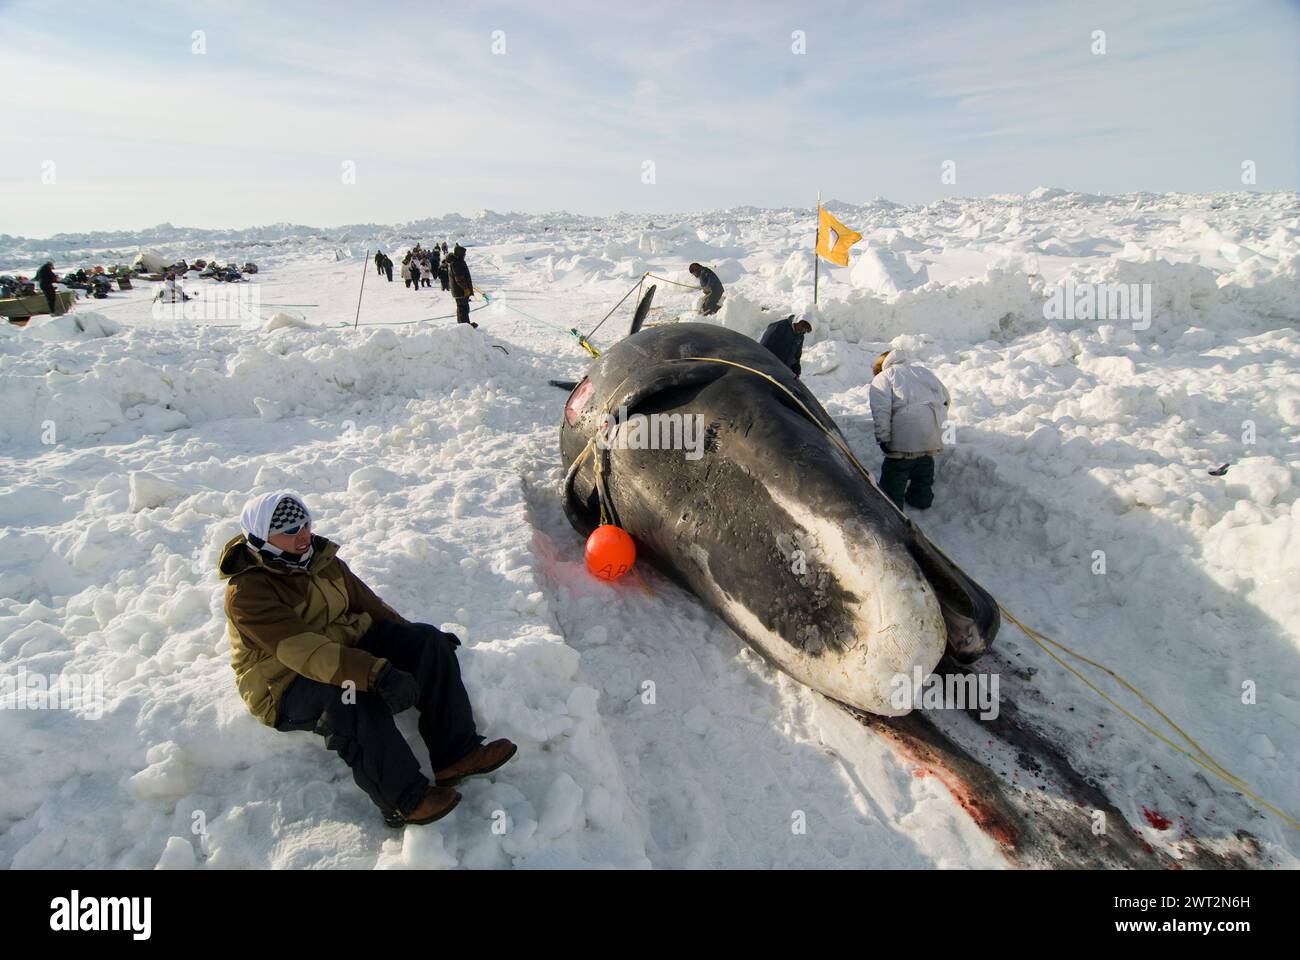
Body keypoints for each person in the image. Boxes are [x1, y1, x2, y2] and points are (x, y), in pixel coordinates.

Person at [219, 492, 518, 827]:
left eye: (305, 524)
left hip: (341, 647)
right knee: (350, 696)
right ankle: (405, 799)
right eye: (289, 530)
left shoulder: (320, 559)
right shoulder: (248, 594)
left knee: (428, 643)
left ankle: (457, 754)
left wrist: (416, 641)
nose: (303, 535)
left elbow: (370, 606)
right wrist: (375, 673)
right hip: (284, 681)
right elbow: (303, 651)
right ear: (259, 536)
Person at [869, 350, 950, 510]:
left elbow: (881, 411)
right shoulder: (923, 372)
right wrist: (938, 427)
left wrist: (883, 437)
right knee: (924, 467)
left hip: (905, 434)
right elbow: (946, 400)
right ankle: (921, 500)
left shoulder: (884, 378)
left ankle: (892, 510)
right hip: (932, 433)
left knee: (895, 473)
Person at [448, 244, 477, 327]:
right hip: (460, 291)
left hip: (460, 291)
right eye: (464, 254)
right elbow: (459, 279)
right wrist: (466, 288)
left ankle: (464, 325)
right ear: (460, 254)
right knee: (463, 309)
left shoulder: (457, 262)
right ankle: (464, 326)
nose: (465, 256)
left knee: (463, 308)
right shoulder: (456, 263)